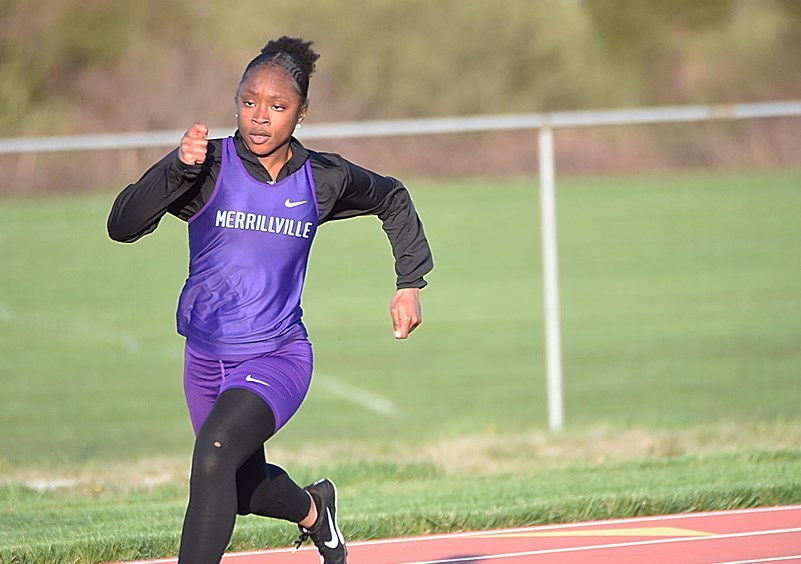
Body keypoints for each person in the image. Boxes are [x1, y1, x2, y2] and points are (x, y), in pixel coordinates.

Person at [107, 36, 433, 564]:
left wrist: (409, 282)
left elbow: (392, 197)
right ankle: (315, 510)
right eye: (249, 102)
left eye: (277, 106)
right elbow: (121, 225)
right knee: (239, 487)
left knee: (213, 456)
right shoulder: (206, 165)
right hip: (204, 357)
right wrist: (176, 168)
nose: (259, 117)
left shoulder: (322, 178)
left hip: (276, 354)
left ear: (302, 114)